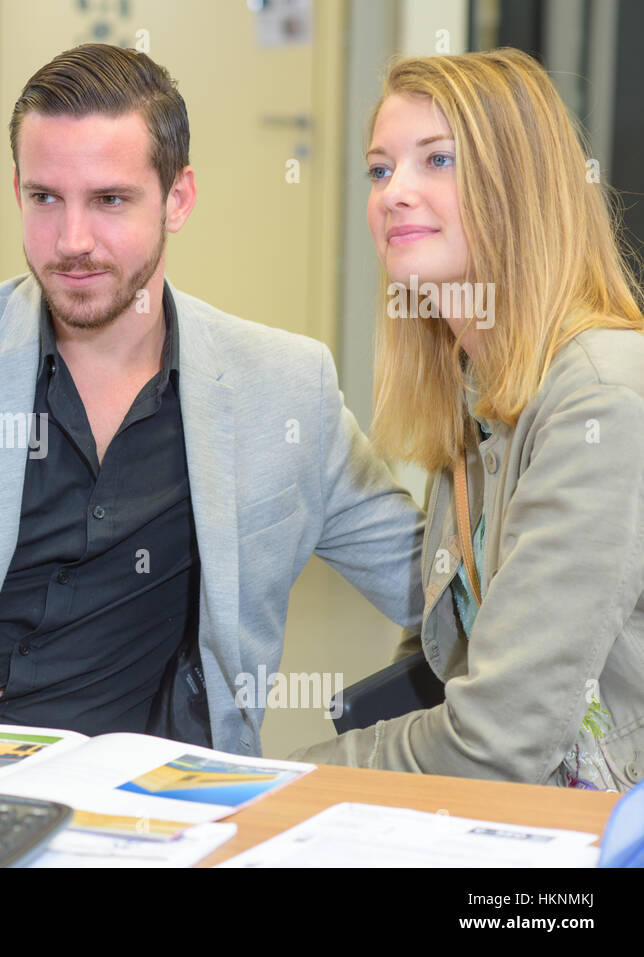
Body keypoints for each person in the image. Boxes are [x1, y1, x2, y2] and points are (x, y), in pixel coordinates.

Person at [0, 43, 425, 754]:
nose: (72, 241)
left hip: (158, 803)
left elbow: (435, 586)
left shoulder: (283, 388)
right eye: (45, 198)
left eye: (110, 200)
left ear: (178, 199)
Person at [291, 48, 644, 789]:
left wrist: (290, 778)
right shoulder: (475, 388)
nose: (395, 193)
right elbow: (444, 648)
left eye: (438, 160)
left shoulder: (601, 396)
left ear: (521, 188)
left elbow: (493, 743)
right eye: (380, 169)